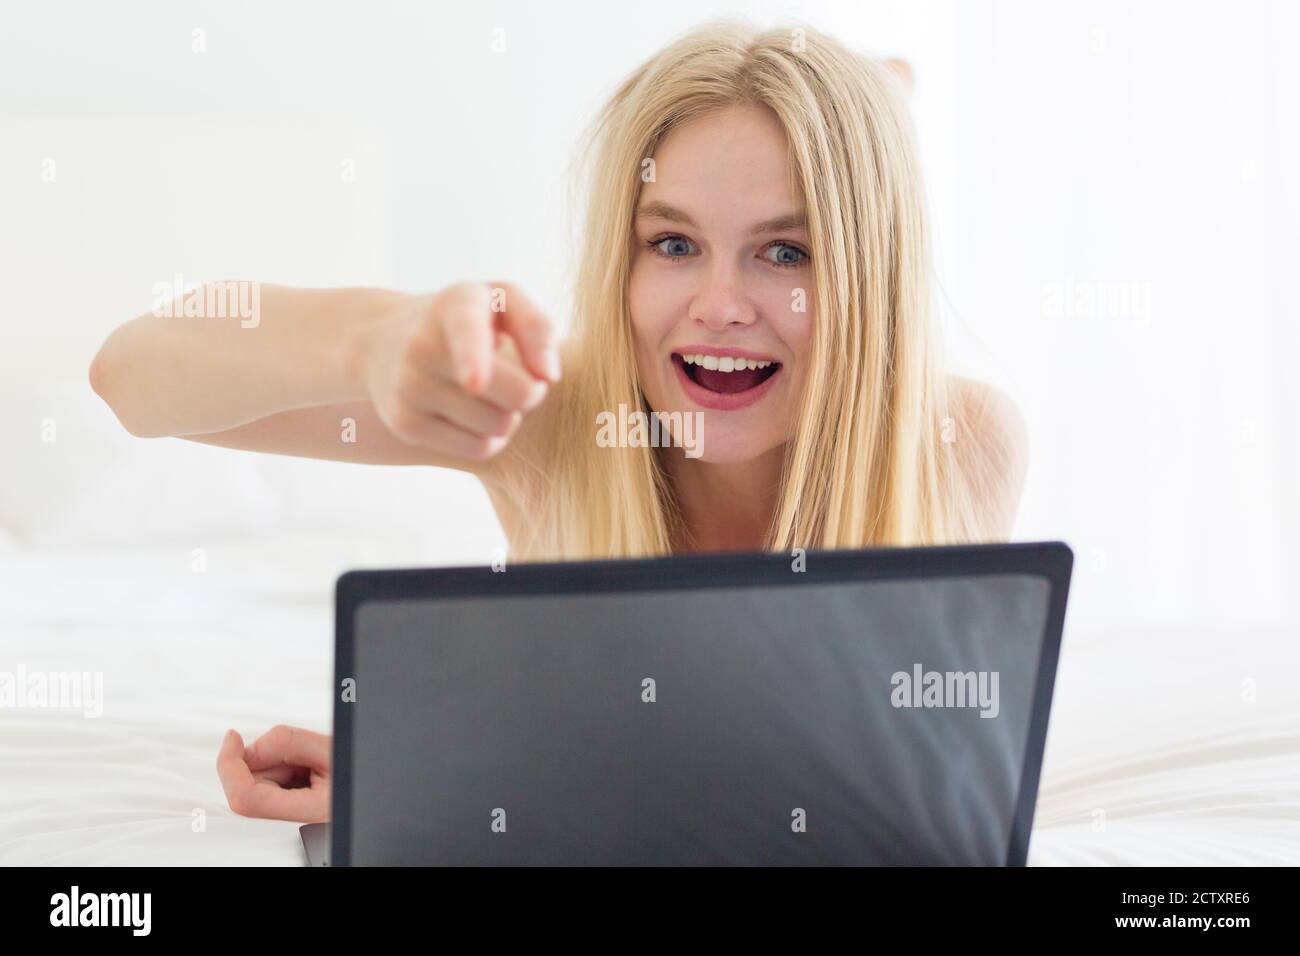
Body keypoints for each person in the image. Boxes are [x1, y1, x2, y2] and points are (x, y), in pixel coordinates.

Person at [90, 21, 1029, 825]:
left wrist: (448, 775)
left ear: (870, 274)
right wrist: (370, 339)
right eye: (672, 243)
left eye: (787, 250)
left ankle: (887, 94)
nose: (721, 304)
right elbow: (129, 375)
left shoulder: (964, 439)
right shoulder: (549, 408)